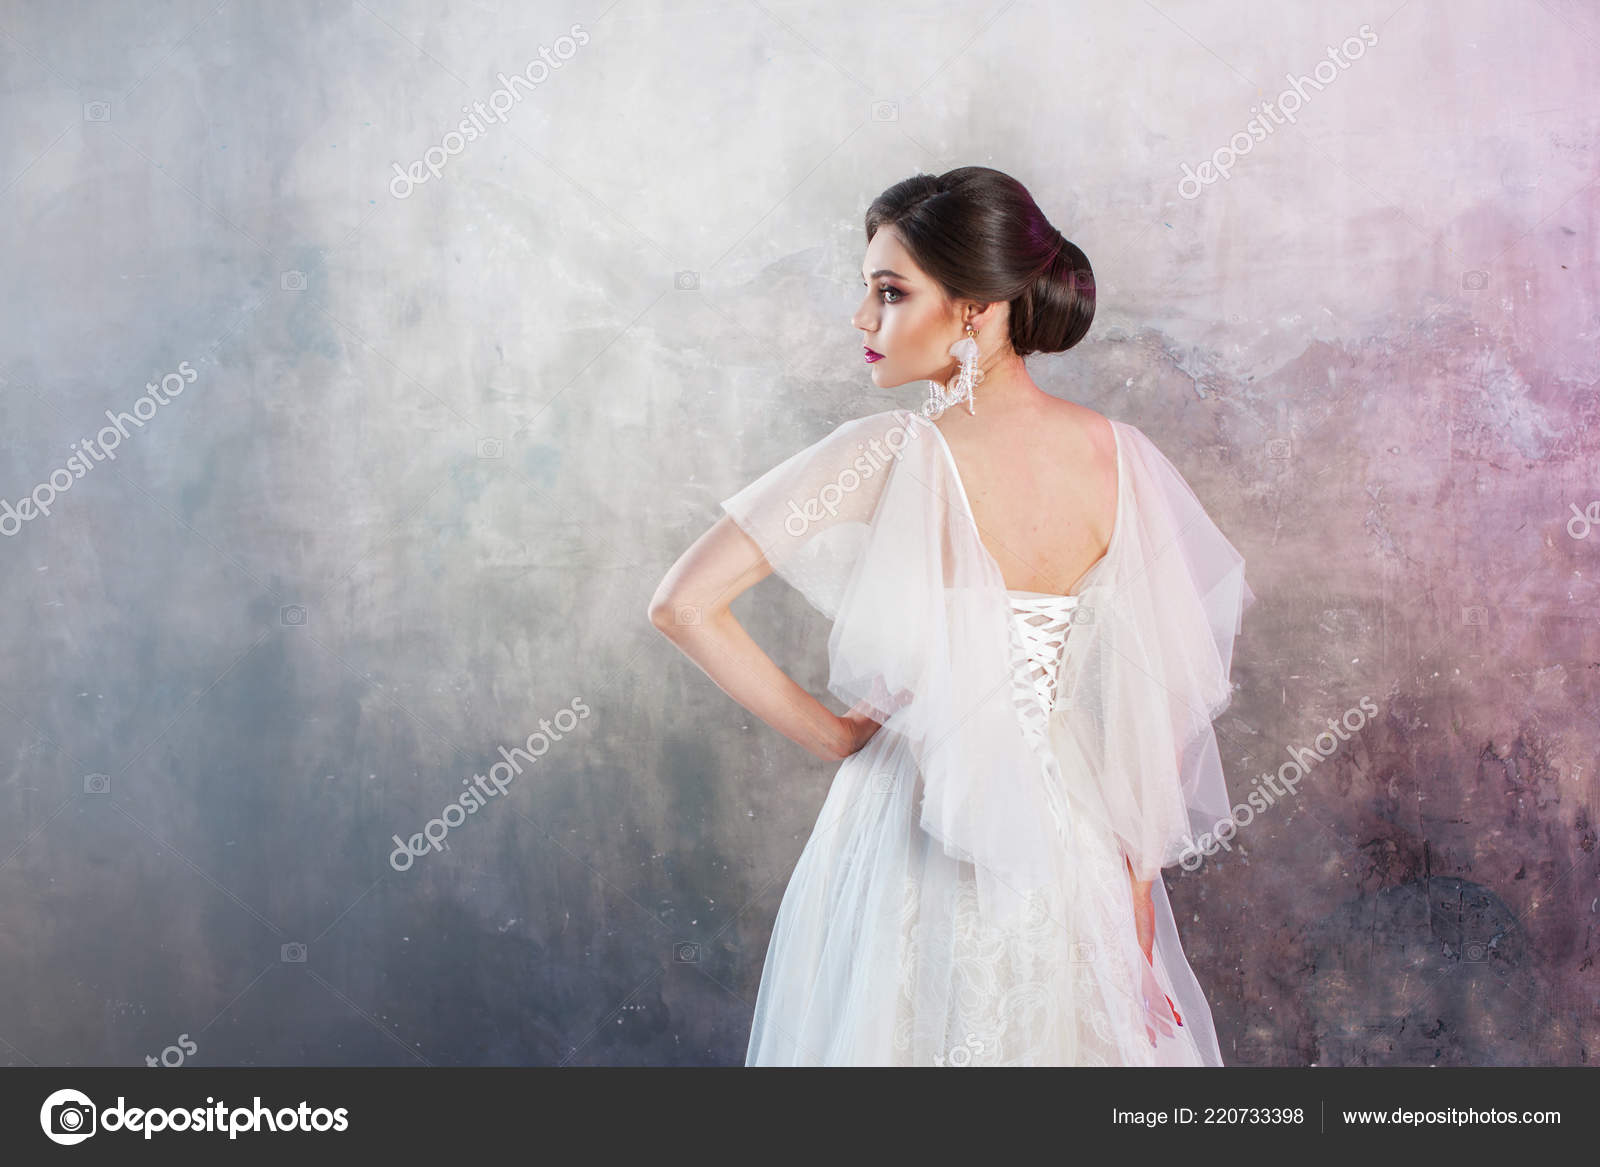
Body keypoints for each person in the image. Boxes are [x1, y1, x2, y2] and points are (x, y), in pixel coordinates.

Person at [648, 166, 1255, 1065]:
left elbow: (681, 604)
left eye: (889, 292)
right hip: (1070, 834)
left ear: (975, 307)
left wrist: (833, 735)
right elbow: (1154, 703)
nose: (863, 320)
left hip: (909, 821)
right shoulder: (1115, 456)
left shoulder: (886, 453)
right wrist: (1132, 904)